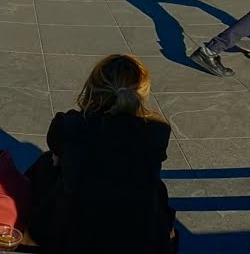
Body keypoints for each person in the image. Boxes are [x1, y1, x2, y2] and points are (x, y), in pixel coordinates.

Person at [25, 54, 176, 254]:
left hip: (74, 234)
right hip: (141, 236)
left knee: (46, 164)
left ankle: (25, 225)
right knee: (153, 184)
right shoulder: (157, 131)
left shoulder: (68, 125)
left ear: (92, 89)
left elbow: (58, 157)